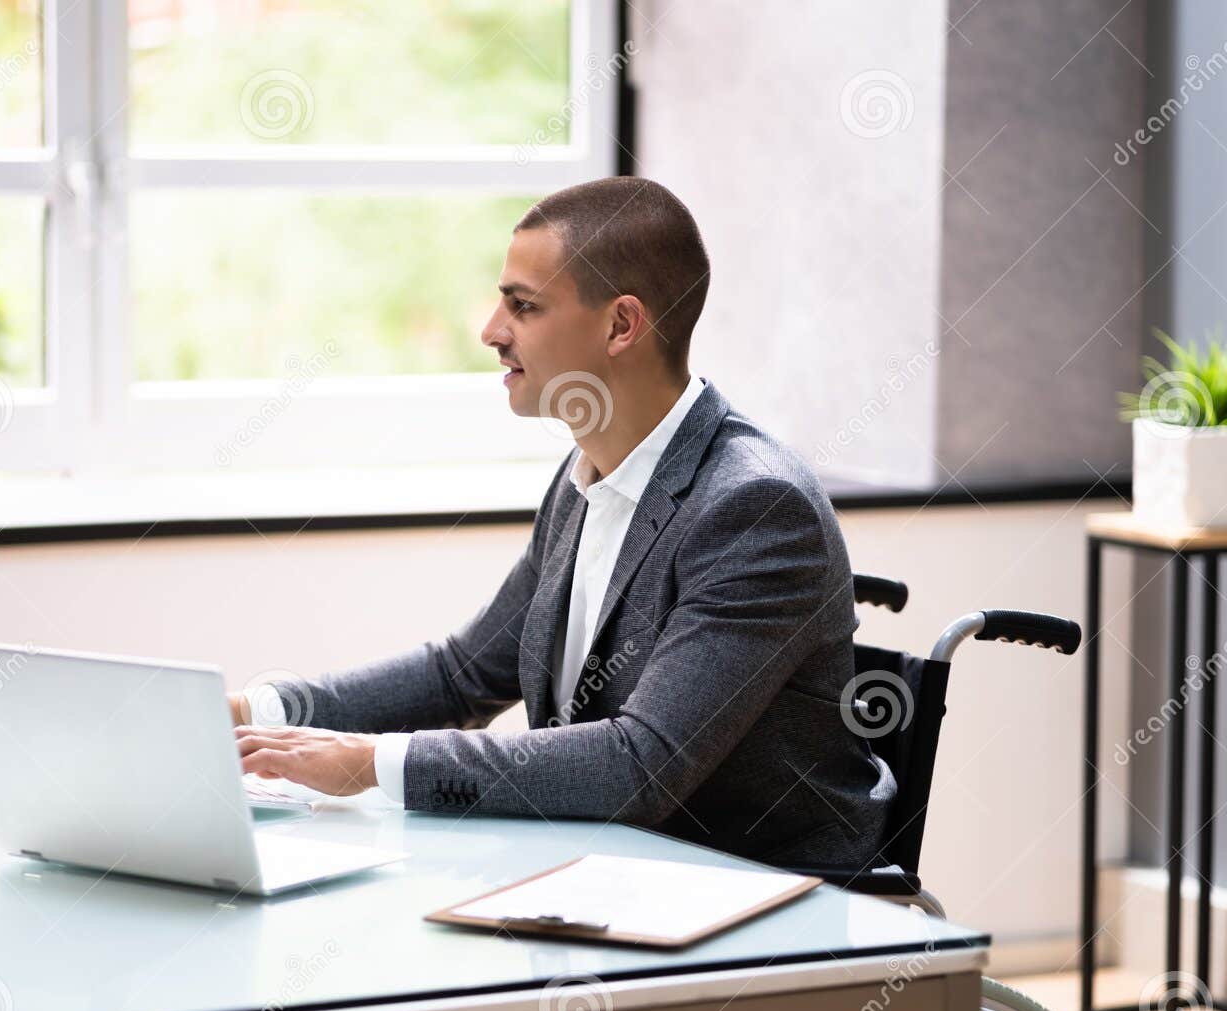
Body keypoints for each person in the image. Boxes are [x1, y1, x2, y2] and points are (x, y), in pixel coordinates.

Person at [229, 175, 894, 870]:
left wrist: (370, 762)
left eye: (523, 306)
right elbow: (463, 675)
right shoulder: (585, 475)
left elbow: (637, 763)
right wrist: (257, 714)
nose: (491, 331)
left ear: (620, 325)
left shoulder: (755, 509)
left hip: (767, 896)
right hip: (618, 873)